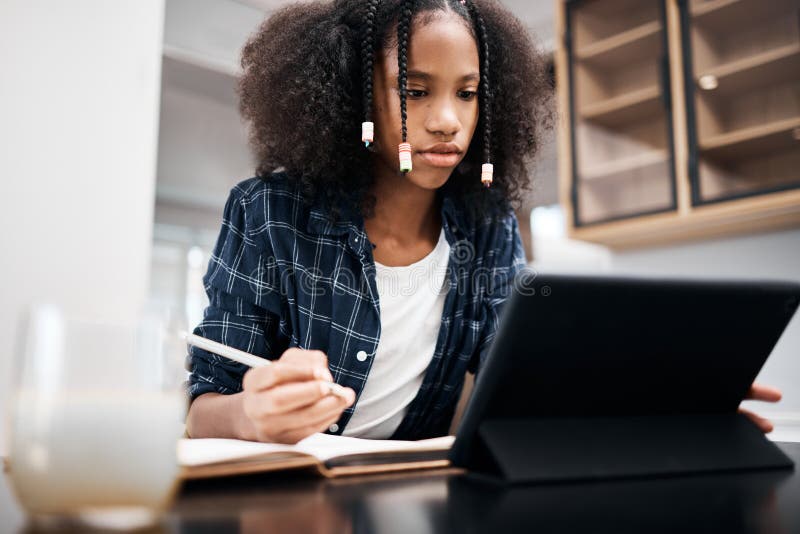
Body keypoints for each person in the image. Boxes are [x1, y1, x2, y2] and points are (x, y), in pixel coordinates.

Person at [184, 0, 781, 444]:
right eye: (415, 91)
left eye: (467, 94)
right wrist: (250, 415)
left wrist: (665, 402)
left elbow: (523, 383)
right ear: (353, 97)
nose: (447, 120)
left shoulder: (487, 226)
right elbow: (201, 409)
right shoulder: (268, 213)